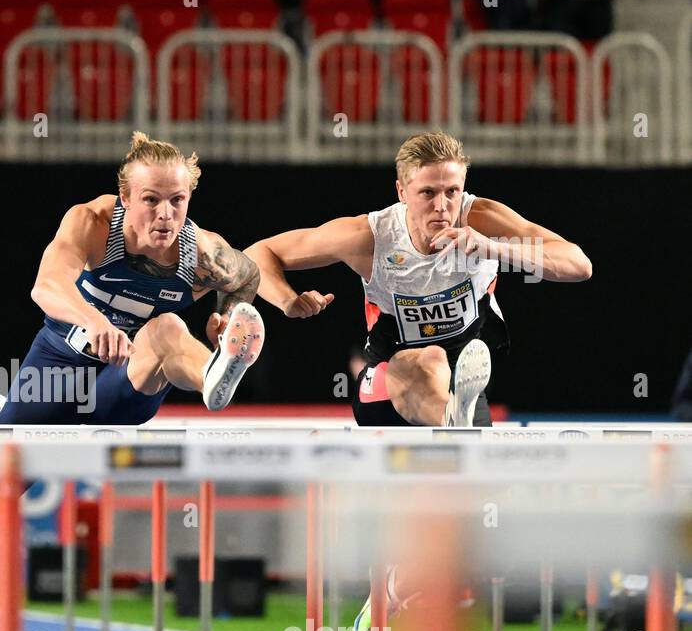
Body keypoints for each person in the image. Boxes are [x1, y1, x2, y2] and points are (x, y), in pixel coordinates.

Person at [0, 132, 319, 550]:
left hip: (127, 378)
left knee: (166, 329)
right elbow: (45, 286)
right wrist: (94, 321)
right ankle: (2, 497)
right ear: (125, 196)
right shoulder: (92, 223)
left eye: (177, 200)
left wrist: (228, 314)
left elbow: (248, 275)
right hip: (54, 374)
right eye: (151, 200)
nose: (165, 215)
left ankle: (214, 375)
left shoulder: (202, 253)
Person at [246, 130, 592, 429]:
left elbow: (579, 264)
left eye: (452, 192)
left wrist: (497, 249)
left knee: (448, 503)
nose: (442, 206)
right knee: (428, 359)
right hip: (386, 388)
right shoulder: (371, 237)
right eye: (428, 193)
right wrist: (288, 301)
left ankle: (454, 417)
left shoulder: (484, 221)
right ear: (402, 192)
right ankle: (452, 423)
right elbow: (258, 254)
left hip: (460, 392)